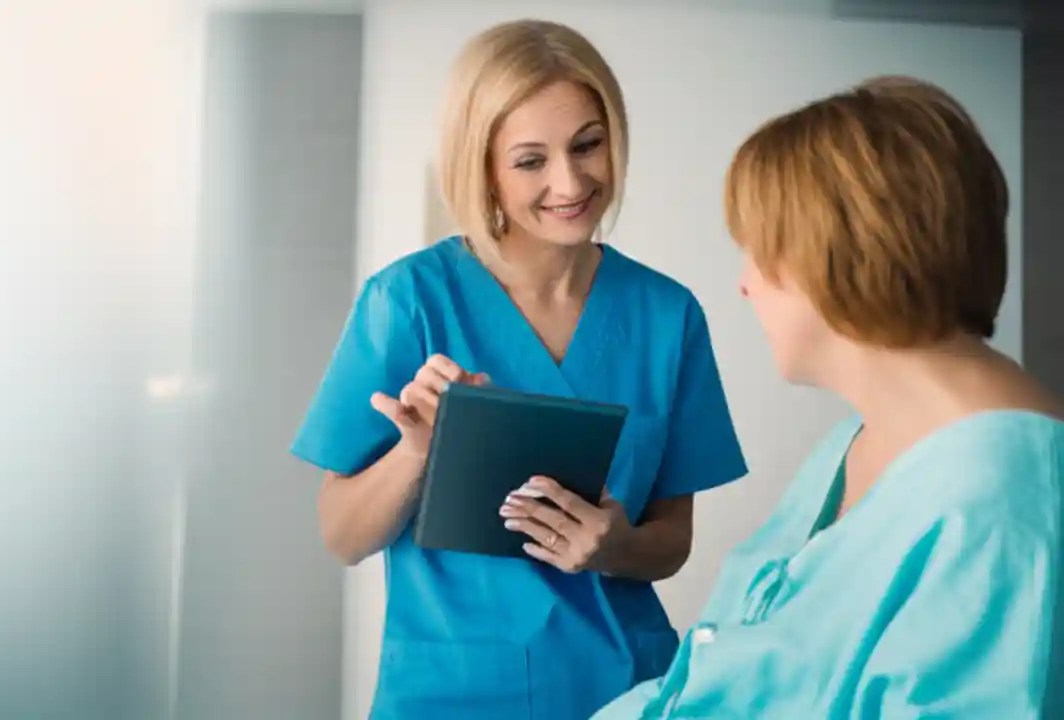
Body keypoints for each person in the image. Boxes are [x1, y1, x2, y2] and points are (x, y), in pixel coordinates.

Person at [289, 19, 748, 720]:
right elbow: (341, 536)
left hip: (625, 690)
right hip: (452, 693)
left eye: (588, 145)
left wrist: (616, 546)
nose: (570, 182)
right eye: (531, 160)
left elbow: (671, 540)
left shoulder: (667, 315)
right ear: (484, 168)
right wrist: (416, 452)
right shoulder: (409, 302)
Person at [594, 76, 1064, 719]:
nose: (744, 284)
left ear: (833, 254)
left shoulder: (1001, 496)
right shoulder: (856, 443)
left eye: (758, 252)